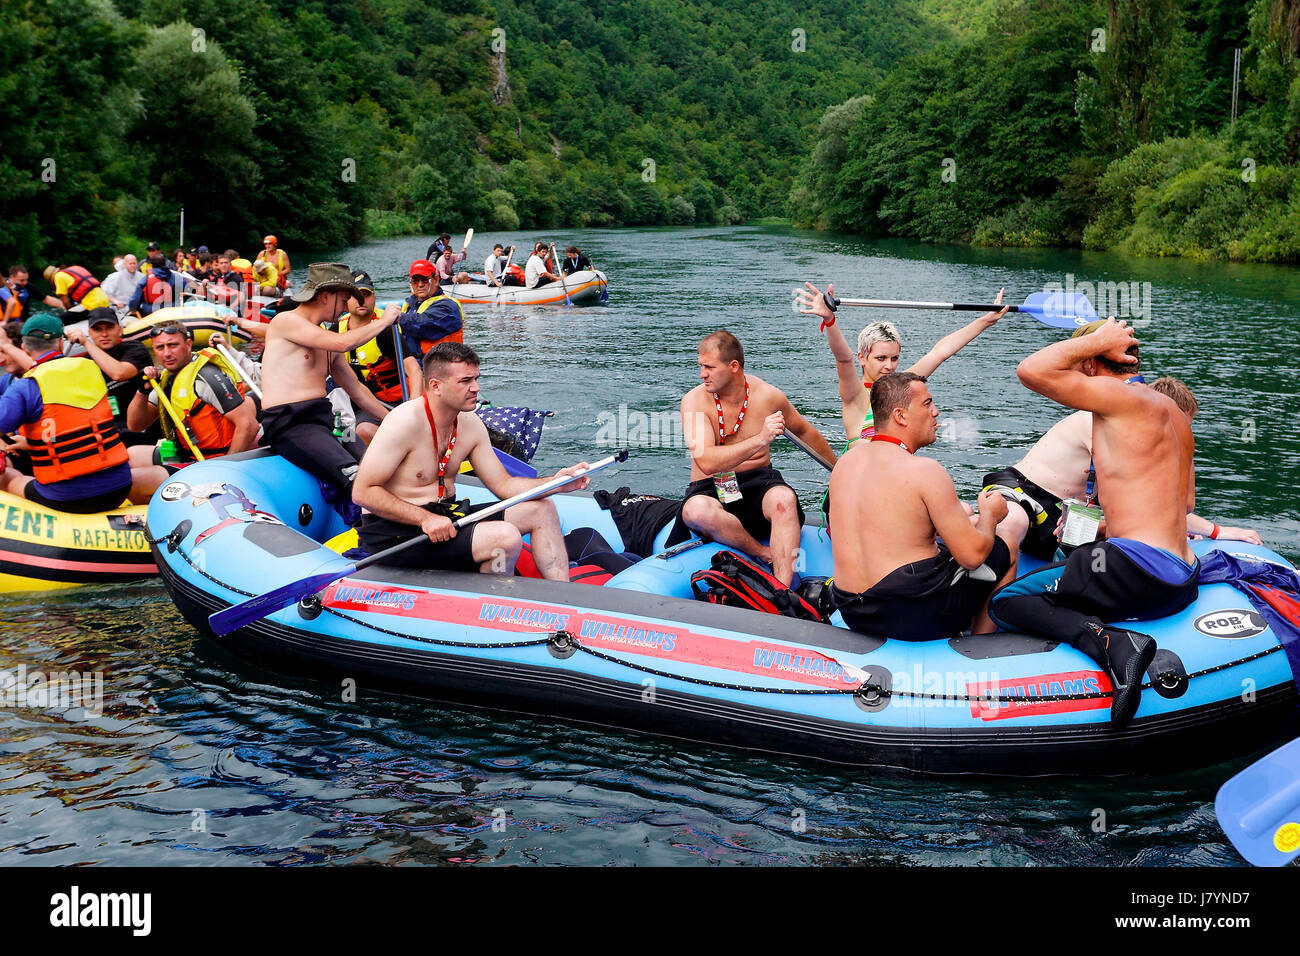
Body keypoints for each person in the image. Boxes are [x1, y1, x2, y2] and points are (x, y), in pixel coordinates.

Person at [991, 319, 1199, 728]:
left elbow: (1030, 370)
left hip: (1138, 570)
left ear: (1089, 365)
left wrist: (1099, 340)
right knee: (1080, 558)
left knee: (1005, 601)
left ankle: (1116, 646)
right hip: (1182, 579)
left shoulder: (1116, 398)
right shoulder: (1172, 410)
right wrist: (1103, 526)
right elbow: (1186, 502)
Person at [353, 341, 590, 578]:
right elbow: (363, 492)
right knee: (505, 536)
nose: (476, 388)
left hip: (446, 519)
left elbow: (504, 485)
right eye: (465, 381)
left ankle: (563, 596)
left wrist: (556, 483)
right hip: (397, 534)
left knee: (542, 510)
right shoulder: (404, 422)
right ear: (435, 386)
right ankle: (496, 604)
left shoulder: (471, 424)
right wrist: (424, 518)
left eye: (476, 379)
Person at [983, 369, 1261, 561]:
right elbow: (1151, 505)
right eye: (1178, 425)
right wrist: (1217, 531)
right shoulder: (1111, 426)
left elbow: (1151, 507)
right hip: (1021, 491)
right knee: (1015, 521)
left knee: (1114, 545)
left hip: (1063, 516)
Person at [827, 371, 1018, 641]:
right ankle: (979, 646)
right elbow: (972, 557)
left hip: (853, 611)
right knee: (1007, 542)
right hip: (910, 616)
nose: (936, 413)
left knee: (957, 523)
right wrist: (990, 516)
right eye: (927, 404)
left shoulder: (847, 460)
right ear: (900, 416)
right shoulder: (925, 470)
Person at [677, 329, 836, 586]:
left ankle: (782, 591)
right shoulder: (694, 402)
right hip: (712, 487)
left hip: (757, 484)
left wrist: (838, 471)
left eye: (708, 367)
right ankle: (762, 553)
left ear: (733, 366)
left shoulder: (767, 396)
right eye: (700, 366)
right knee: (696, 511)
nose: (701, 374)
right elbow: (706, 461)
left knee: (784, 499)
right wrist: (761, 439)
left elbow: (805, 431)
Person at [797, 281, 1008, 445]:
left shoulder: (901, 385)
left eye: (894, 358)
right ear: (862, 357)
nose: (889, 366)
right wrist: (829, 320)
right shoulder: (854, 394)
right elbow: (843, 358)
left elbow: (940, 352)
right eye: (880, 358)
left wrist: (986, 321)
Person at [259, 263, 397, 497]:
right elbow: (343, 343)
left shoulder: (325, 337)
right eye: (344, 300)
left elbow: (356, 388)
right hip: (291, 423)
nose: (345, 308)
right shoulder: (286, 322)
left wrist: (393, 420)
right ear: (325, 296)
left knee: (374, 468)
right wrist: (384, 321)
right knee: (356, 477)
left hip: (325, 420)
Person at [0, 314, 140, 511]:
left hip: (66, 496)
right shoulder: (91, 368)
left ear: (24, 347)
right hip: (119, 488)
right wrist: (32, 444)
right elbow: (74, 423)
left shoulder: (26, 385)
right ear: (60, 343)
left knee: (10, 479)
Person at [125, 323, 258, 477]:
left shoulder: (207, 377)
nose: (166, 353)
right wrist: (143, 392)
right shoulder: (167, 378)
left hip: (213, 461)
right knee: (132, 455)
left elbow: (249, 424)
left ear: (188, 344)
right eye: (160, 348)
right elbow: (135, 425)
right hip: (188, 455)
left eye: (173, 345)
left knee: (134, 479)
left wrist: (225, 469)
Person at [339, 271, 403, 443]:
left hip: (391, 401)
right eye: (355, 296)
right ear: (346, 300)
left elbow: (413, 370)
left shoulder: (386, 330)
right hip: (354, 403)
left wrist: (414, 409)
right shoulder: (335, 329)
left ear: (374, 298)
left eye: (366, 295)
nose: (361, 300)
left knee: (363, 431)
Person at [63, 308, 150, 433]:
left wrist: (86, 343)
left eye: (109, 328)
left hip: (138, 425)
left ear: (120, 330)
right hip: (105, 426)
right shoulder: (84, 362)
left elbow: (119, 373)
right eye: (97, 330)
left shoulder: (135, 349)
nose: (104, 334)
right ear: (90, 333)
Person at [397, 259, 465, 391]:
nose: (420, 285)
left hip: (441, 372)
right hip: (412, 369)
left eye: (425, 280)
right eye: (415, 281)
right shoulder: (410, 305)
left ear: (436, 279)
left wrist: (395, 317)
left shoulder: (448, 307)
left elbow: (422, 325)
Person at [43, 264, 112, 312]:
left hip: (92, 305)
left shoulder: (58, 276)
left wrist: (69, 311)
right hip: (105, 300)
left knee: (64, 317)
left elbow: (65, 301)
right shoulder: (76, 268)